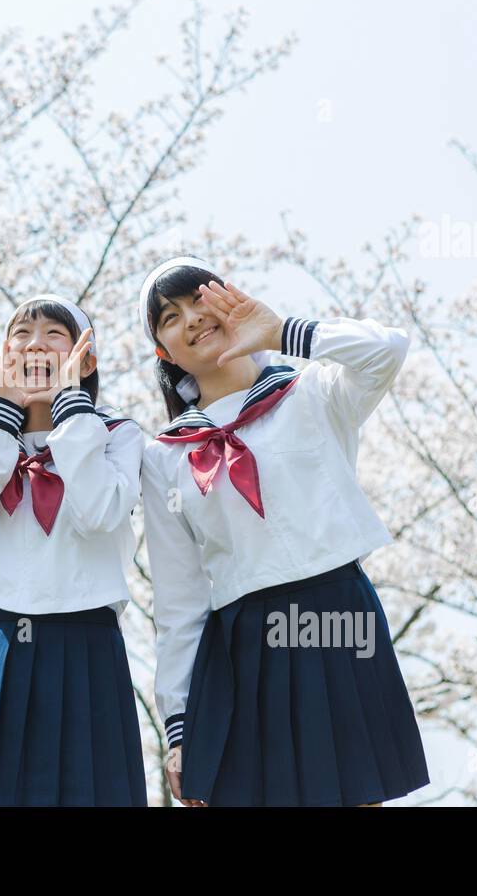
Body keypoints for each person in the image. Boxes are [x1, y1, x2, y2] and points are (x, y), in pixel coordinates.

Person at [139, 255, 430, 807]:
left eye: (198, 299)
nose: (191, 319)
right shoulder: (165, 457)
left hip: (338, 619)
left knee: (354, 797)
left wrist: (281, 332)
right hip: (240, 642)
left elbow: (387, 349)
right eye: (168, 317)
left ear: (229, 298)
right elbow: (178, 599)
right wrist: (178, 724)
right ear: (163, 350)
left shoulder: (312, 392)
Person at [0, 294, 147, 806]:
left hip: (85, 642)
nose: (35, 345)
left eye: (54, 334)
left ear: (85, 359)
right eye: (21, 335)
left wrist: (71, 415)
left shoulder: (117, 434)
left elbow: (100, 512)